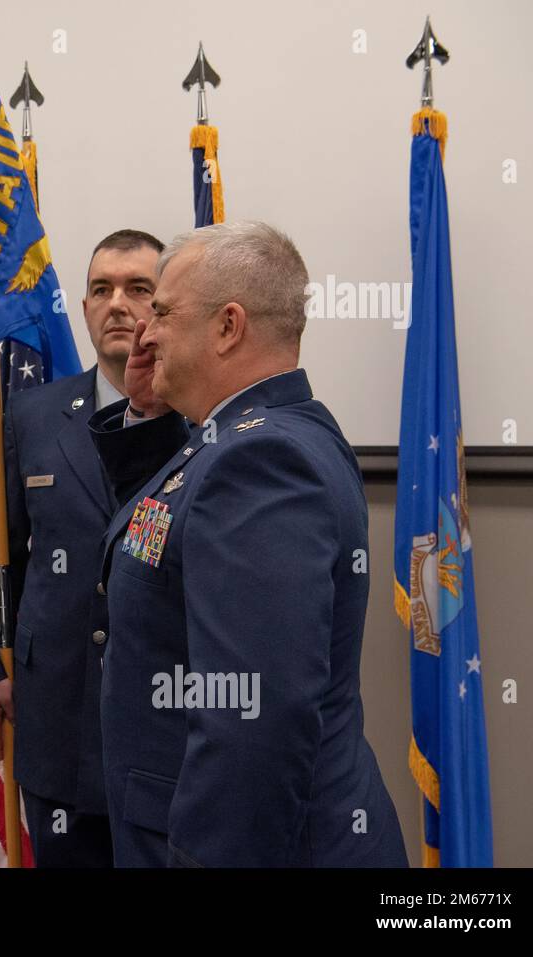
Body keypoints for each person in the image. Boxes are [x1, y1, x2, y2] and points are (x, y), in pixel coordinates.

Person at [89, 221, 407, 867]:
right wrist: (150, 415)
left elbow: (252, 716)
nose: (144, 333)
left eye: (164, 312)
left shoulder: (258, 460)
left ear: (228, 326)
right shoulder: (252, 436)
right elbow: (158, 534)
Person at [0, 229, 164, 866]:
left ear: (164, 308)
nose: (118, 304)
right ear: (82, 309)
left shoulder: (197, 419)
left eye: (139, 289)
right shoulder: (30, 416)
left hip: (162, 724)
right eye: (101, 289)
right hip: (54, 712)